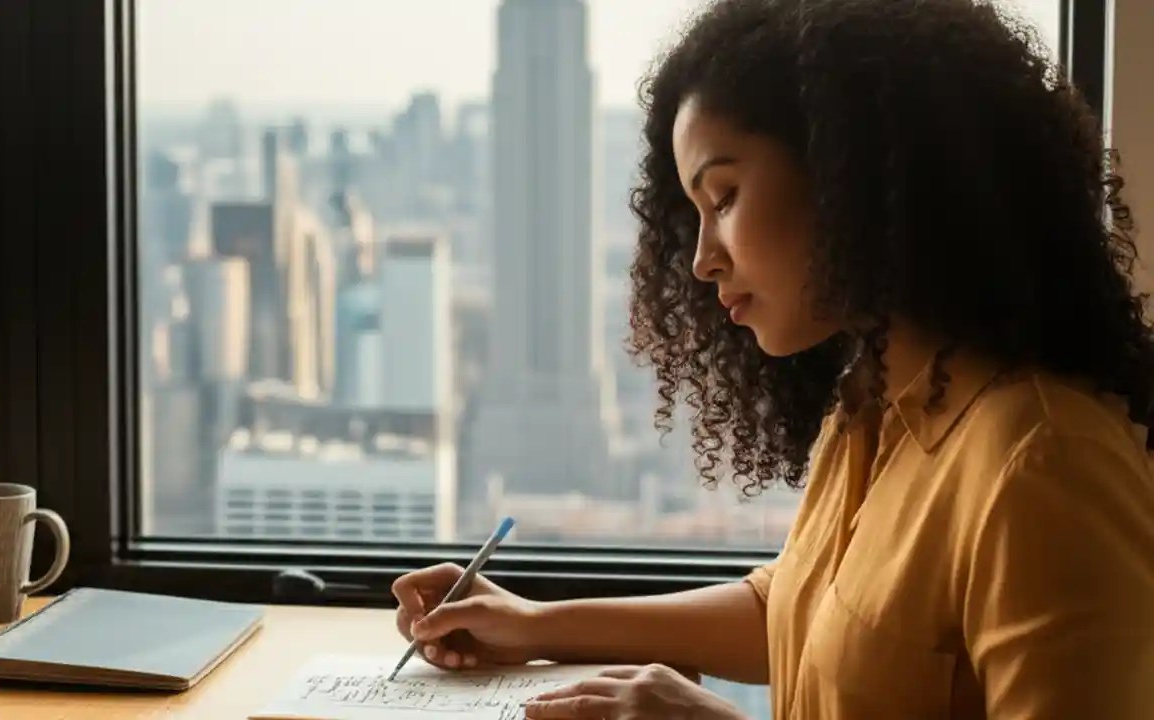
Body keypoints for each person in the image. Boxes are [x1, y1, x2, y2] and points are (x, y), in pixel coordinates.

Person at [392, 0, 1154, 717]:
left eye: (723, 197)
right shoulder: (876, 401)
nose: (700, 261)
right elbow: (798, 611)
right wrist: (533, 624)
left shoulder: (1043, 464)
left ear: (848, 171)